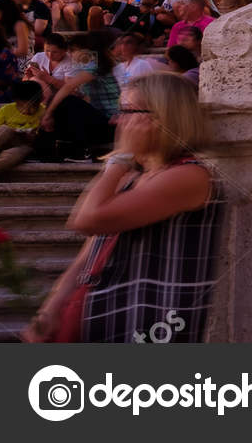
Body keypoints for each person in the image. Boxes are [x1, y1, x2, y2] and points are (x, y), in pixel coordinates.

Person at [24, 74, 222, 343]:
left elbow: (88, 219)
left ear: (163, 117)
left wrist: (120, 158)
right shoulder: (132, 176)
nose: (116, 120)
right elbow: (89, 251)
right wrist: (52, 307)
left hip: (151, 326)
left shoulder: (189, 176)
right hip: (106, 316)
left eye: (128, 111)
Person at [0, 81, 43, 178]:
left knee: (11, 156)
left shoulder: (44, 111)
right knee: (5, 129)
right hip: (3, 140)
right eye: (22, 107)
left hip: (23, 144)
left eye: (32, 107)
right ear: (16, 102)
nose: (27, 111)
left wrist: (32, 136)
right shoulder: (6, 109)